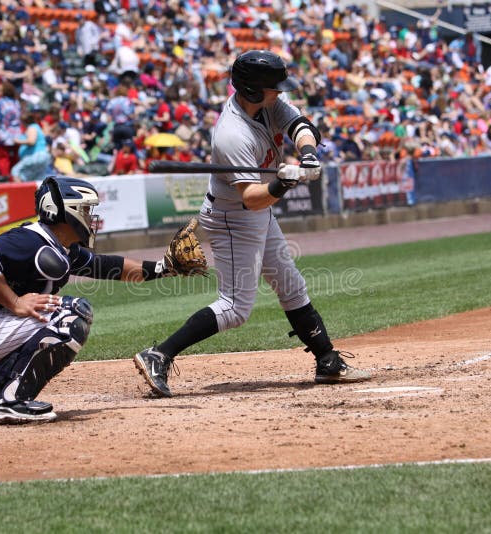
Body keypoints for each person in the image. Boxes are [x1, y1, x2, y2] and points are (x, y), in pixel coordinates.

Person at [134, 50, 370, 397]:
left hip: (256, 213)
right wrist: (283, 183)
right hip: (233, 218)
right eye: (273, 88)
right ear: (254, 89)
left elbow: (301, 126)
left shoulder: (266, 102)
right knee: (235, 308)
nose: (279, 93)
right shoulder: (232, 135)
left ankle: (328, 362)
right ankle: (158, 354)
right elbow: (252, 196)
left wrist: (306, 154)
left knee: (291, 284)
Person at [0, 177, 191, 424]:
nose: (91, 217)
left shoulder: (60, 246)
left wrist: (164, 268)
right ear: (62, 210)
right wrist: (15, 302)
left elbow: (108, 266)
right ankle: (10, 401)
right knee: (71, 314)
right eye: (85, 209)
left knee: (55, 313)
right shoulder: (30, 239)